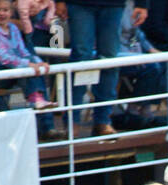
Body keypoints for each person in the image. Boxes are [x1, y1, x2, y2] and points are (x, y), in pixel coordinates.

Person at [61, 0, 148, 135]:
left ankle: (103, 120)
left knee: (108, 59)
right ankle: (73, 121)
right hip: (79, 4)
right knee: (81, 58)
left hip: (113, 5)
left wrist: (142, 4)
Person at [0, 0, 52, 109]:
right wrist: (28, 64)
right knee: (26, 69)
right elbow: (3, 58)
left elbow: (22, 51)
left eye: (5, 10)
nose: (1, 13)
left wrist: (39, 62)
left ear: (11, 13)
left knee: (31, 67)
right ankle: (34, 98)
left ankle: (37, 97)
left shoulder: (13, 28)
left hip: (10, 69)